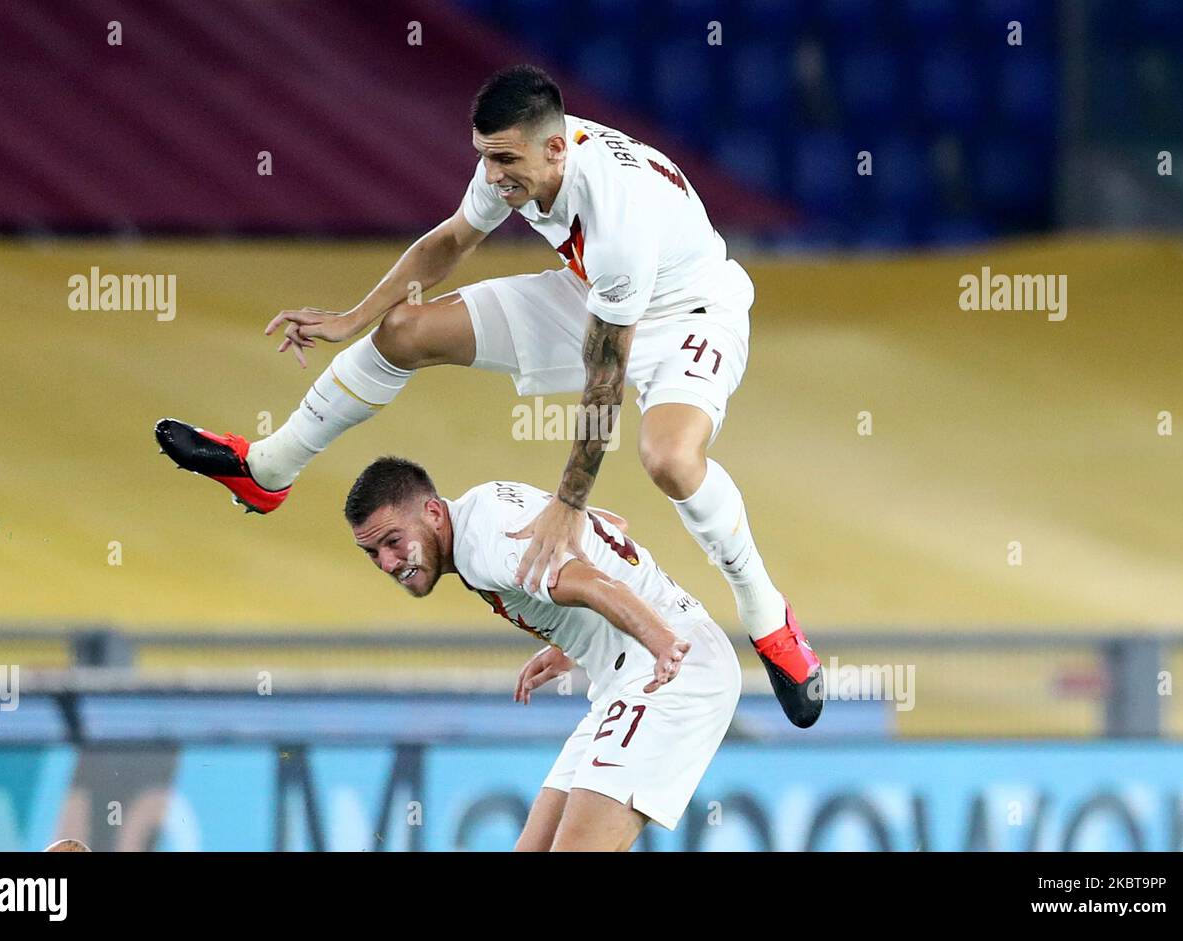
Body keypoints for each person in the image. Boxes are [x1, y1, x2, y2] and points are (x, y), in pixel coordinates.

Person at [155, 63, 821, 727]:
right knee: (405, 329)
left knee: (670, 459)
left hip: (689, 311)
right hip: (591, 295)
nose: (493, 175)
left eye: (504, 160)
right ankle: (268, 469)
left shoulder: (619, 215)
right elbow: (449, 240)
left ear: (556, 149)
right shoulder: (520, 157)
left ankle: (767, 616)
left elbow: (605, 373)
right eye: (484, 158)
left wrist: (568, 504)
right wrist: (351, 317)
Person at [345, 456, 741, 850]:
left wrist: (662, 643)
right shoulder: (483, 501)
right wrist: (572, 638)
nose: (388, 563)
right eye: (373, 552)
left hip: (668, 671)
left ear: (432, 512)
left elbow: (597, 584)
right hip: (626, 674)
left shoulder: (484, 550)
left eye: (393, 541)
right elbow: (608, 525)